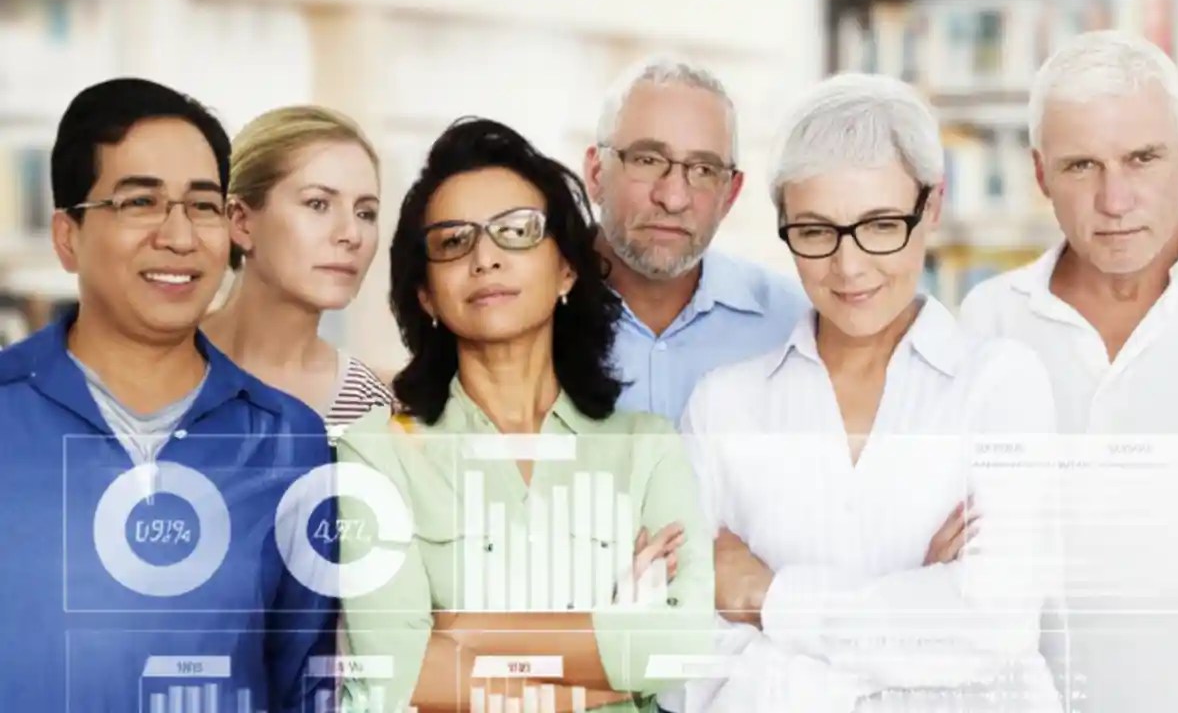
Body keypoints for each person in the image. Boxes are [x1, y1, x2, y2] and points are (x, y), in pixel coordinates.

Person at [681, 73, 1063, 712]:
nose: (849, 266)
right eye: (814, 231)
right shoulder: (724, 406)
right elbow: (684, 659)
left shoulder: (1000, 384)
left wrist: (766, 599)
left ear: (932, 207)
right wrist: (916, 618)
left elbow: (995, 623)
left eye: (881, 225)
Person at [335, 118, 715, 712]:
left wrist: (464, 631)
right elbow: (395, 678)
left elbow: (681, 645)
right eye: (453, 241)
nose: (485, 258)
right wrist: (604, 676)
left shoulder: (647, 446)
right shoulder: (375, 452)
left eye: (516, 231)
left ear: (566, 268)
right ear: (426, 294)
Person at [959, 30, 1178, 712]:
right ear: (1040, 173)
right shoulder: (985, 321)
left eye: (1142, 158)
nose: (1115, 199)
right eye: (1081, 167)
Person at [0, 79, 336, 710]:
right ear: (68, 235)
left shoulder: (290, 439)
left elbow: (305, 684)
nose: (180, 236)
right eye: (140, 202)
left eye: (203, 206)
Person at [583, 55, 808, 422]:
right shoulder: (526, 312)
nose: (673, 199)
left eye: (703, 170)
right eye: (647, 160)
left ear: (730, 195)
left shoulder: (794, 327)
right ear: (595, 174)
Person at [202, 105, 393, 437]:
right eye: (318, 204)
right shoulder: (155, 367)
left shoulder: (370, 406)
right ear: (240, 221)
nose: (352, 234)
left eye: (365, 212)